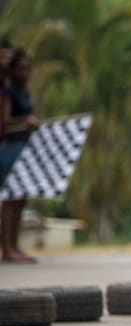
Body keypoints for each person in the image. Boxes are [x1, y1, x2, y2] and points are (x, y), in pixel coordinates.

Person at [0, 47, 40, 263]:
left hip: (25, 147)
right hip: (11, 147)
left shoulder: (25, 91)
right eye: (21, 69)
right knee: (10, 199)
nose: (25, 73)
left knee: (21, 199)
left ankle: (15, 245)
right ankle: (7, 248)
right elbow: (4, 120)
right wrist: (25, 121)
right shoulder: (9, 91)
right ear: (13, 70)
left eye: (28, 68)